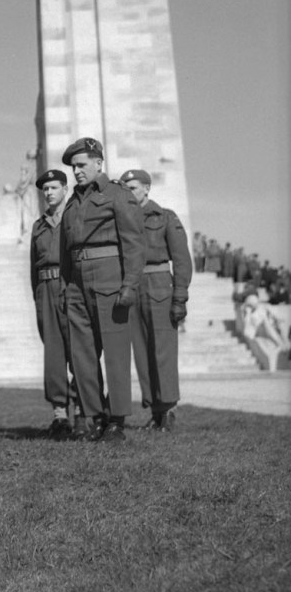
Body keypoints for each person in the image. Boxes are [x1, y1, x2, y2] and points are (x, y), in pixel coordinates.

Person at [59, 138, 145, 443]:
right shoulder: (72, 202)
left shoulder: (117, 194)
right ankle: (93, 416)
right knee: (82, 355)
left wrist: (130, 284)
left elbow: (134, 243)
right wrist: (65, 288)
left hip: (109, 278)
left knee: (116, 353)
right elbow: (65, 250)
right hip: (77, 283)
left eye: (81, 165)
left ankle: (117, 419)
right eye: (73, 167)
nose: (76, 171)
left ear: (98, 163)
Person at [120, 170, 192, 432]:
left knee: (163, 351)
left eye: (133, 187)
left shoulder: (165, 217)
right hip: (132, 287)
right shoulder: (122, 219)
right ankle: (155, 410)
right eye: (125, 188)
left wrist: (180, 297)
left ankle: (169, 408)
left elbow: (182, 260)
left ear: (147, 189)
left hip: (159, 285)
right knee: (142, 353)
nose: (129, 193)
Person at [29, 169, 83, 437]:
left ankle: (83, 409)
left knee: (79, 350)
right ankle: (59, 414)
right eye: (45, 189)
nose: (49, 193)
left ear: (65, 189)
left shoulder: (76, 216)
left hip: (70, 284)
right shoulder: (38, 226)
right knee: (53, 354)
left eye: (53, 188)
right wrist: (38, 297)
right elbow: (33, 267)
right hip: (46, 290)